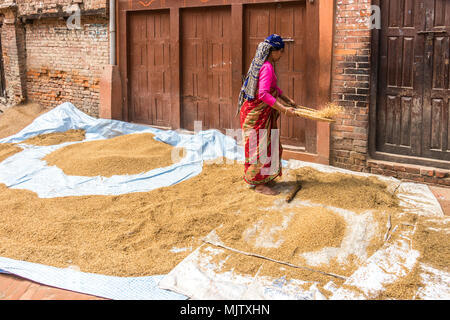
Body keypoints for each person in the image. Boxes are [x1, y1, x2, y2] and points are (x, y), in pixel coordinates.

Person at [238, 34, 298, 196]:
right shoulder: (267, 67)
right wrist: (284, 109)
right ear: (273, 51)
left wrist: (287, 99)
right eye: (281, 51)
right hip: (256, 114)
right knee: (260, 147)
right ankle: (259, 185)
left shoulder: (265, 65)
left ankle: (266, 177)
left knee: (269, 143)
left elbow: (274, 88)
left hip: (260, 113)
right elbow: (264, 94)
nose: (282, 54)